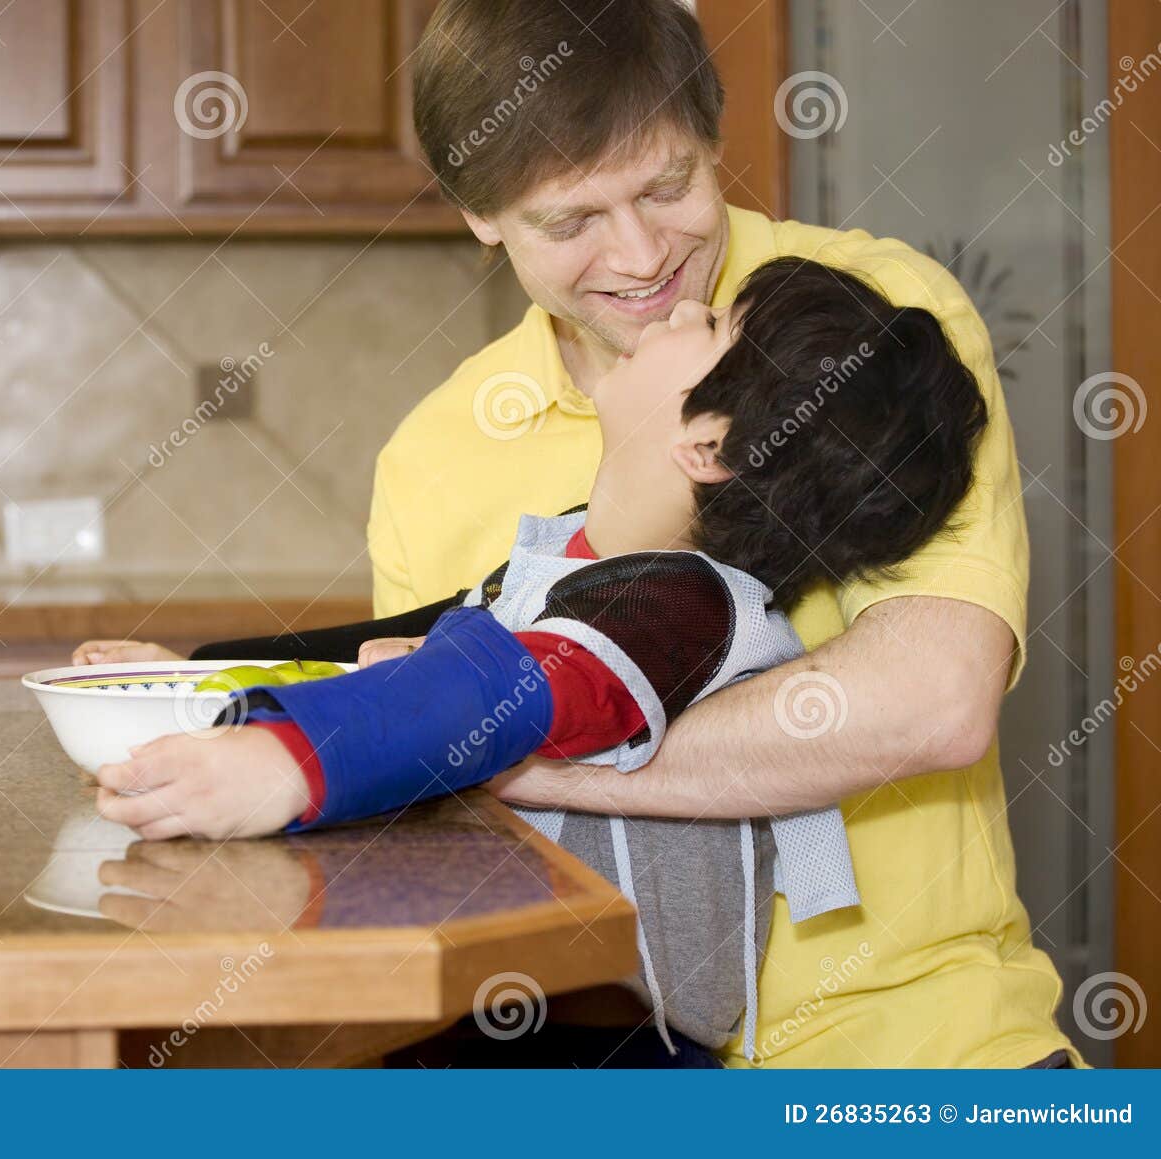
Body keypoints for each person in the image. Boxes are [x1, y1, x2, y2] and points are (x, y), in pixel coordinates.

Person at [84, 0, 1078, 1070]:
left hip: (924, 1050)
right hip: (603, 1051)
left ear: (714, 138)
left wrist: (468, 754)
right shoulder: (439, 454)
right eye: (572, 221)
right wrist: (200, 683)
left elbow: (931, 705)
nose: (648, 261)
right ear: (479, 214)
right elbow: (409, 672)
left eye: (668, 186)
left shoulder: (854, 334)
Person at [79, 256, 985, 1065]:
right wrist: (201, 671)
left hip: (600, 1055)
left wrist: (285, 763)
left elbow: (500, 687)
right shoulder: (590, 565)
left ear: (706, 447)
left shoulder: (682, 604)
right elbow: (420, 637)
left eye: (708, 325)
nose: (675, 313)